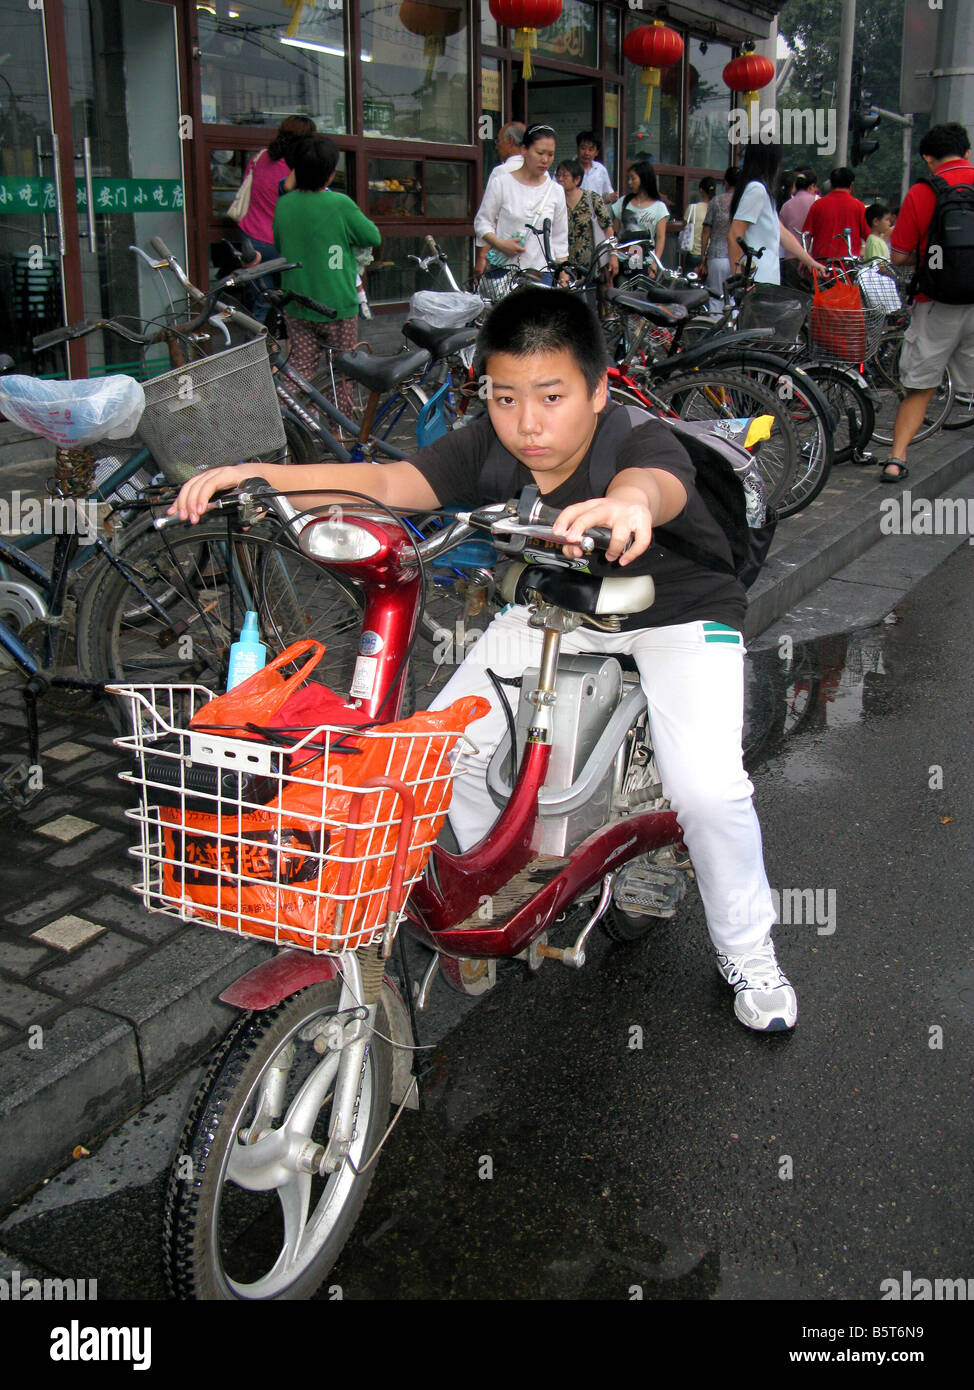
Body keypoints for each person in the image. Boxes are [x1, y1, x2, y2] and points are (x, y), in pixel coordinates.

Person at [170, 287, 798, 1034]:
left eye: (552, 395)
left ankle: (750, 954)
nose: (527, 423)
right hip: (561, 601)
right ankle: (484, 889)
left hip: (681, 612)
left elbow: (655, 486)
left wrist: (627, 506)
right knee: (437, 754)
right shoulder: (490, 446)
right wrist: (259, 476)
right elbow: (390, 483)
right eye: (505, 397)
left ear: (598, 390)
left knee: (708, 790)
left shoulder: (635, 440)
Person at [881, 122, 974, 482]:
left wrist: (932, 256)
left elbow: (900, 255)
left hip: (936, 301)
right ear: (966, 152)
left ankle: (896, 459)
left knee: (920, 387)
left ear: (928, 159)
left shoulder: (923, 191)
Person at [271, 134, 381, 417]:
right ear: (331, 173)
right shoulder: (340, 204)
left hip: (296, 303)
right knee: (341, 373)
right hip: (337, 306)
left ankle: (289, 428)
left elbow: (279, 246)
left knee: (298, 371)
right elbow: (372, 235)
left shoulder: (284, 204)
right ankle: (340, 435)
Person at [235, 115, 317, 319]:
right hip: (284, 244)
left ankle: (255, 346)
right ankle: (293, 347)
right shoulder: (300, 166)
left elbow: (248, 186)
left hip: (252, 240)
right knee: (294, 303)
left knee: (262, 302)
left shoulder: (260, 157)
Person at [474, 123, 569, 286]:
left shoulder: (556, 191)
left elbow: (559, 238)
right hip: (504, 271)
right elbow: (482, 222)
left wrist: (563, 272)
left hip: (542, 274)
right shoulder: (502, 183)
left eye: (550, 154)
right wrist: (500, 244)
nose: (545, 160)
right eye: (539, 153)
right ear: (524, 150)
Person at [728, 144, 824, 283]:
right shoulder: (757, 190)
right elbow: (734, 236)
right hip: (754, 280)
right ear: (771, 161)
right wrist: (738, 278)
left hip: (764, 279)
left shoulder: (764, 192)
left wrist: (810, 262)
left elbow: (782, 233)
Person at [474, 122, 526, 277]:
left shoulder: (501, 172)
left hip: (505, 258)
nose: (497, 147)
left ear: (510, 141)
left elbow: (490, 219)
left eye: (498, 141)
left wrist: (482, 256)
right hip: (536, 263)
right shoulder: (544, 175)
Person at [554, 158, 619, 282]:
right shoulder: (555, 201)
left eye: (565, 176)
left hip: (589, 267)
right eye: (558, 175)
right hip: (561, 265)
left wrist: (613, 255)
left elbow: (608, 229)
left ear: (577, 179)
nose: (560, 179)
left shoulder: (592, 199)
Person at [802, 166, 870, 261]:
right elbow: (868, 236)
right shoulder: (858, 206)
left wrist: (804, 259)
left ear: (830, 184)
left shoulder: (818, 205)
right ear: (851, 185)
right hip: (848, 264)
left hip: (821, 264)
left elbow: (807, 236)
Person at [611, 161, 669, 264]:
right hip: (622, 260)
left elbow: (660, 238)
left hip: (646, 261)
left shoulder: (659, 207)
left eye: (633, 178)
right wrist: (613, 256)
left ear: (644, 179)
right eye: (629, 179)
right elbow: (614, 233)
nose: (629, 182)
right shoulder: (624, 202)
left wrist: (656, 263)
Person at [699, 166, 738, 310]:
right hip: (738, 257)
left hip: (716, 254)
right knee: (733, 298)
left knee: (716, 296)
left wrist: (703, 256)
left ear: (726, 183)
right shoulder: (744, 203)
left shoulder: (716, 202)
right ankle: (733, 330)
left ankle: (714, 327)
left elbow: (706, 231)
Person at [779, 171, 819, 289]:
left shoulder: (786, 205)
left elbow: (781, 230)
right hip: (811, 256)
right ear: (811, 186)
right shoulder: (817, 201)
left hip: (790, 256)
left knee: (793, 295)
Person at [680, 176, 715, 273]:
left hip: (693, 253)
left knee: (688, 285)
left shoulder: (692, 208)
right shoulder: (715, 209)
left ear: (701, 190)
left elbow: (684, 226)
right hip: (710, 255)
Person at [575, 129, 616, 201]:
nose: (586, 153)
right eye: (583, 148)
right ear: (577, 148)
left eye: (591, 149)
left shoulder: (600, 170)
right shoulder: (567, 168)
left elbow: (606, 193)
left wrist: (610, 197)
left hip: (595, 212)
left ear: (596, 152)